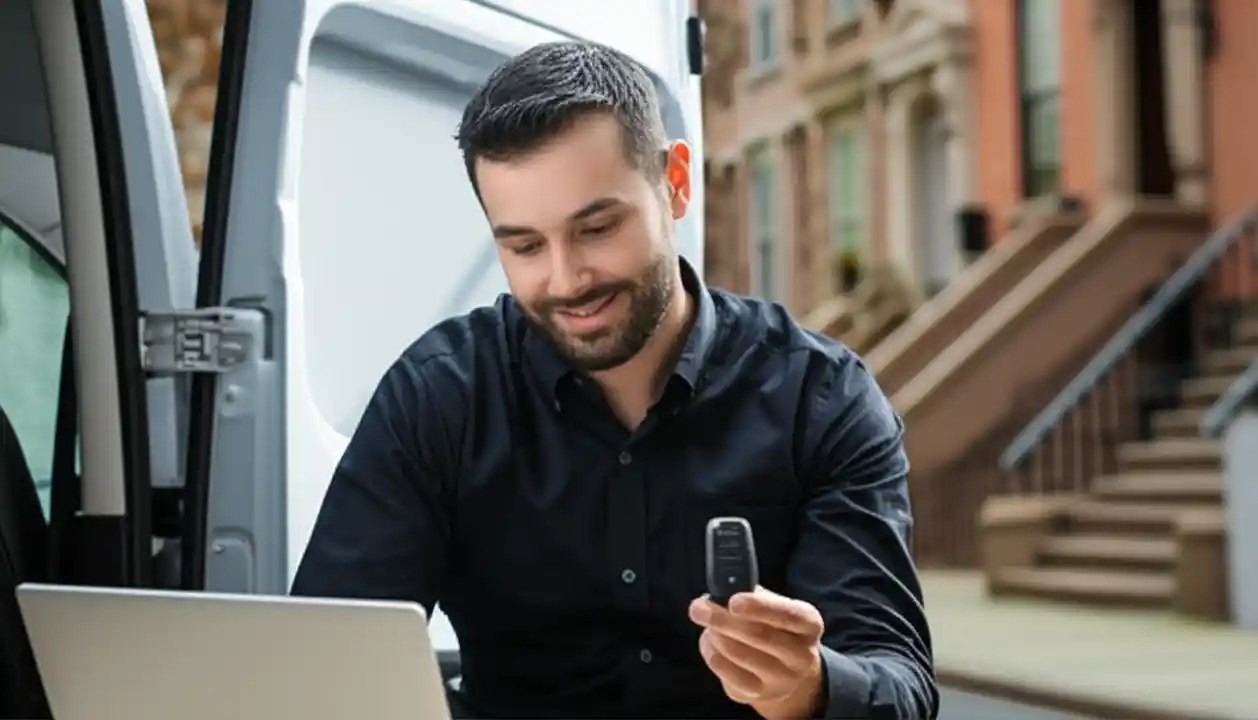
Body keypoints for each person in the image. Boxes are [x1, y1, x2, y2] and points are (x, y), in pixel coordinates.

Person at [290, 40, 938, 719]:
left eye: (596, 228)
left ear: (675, 183)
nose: (566, 280)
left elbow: (900, 686)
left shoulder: (822, 400)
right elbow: (328, 667)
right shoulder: (440, 397)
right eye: (525, 246)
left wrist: (810, 687)